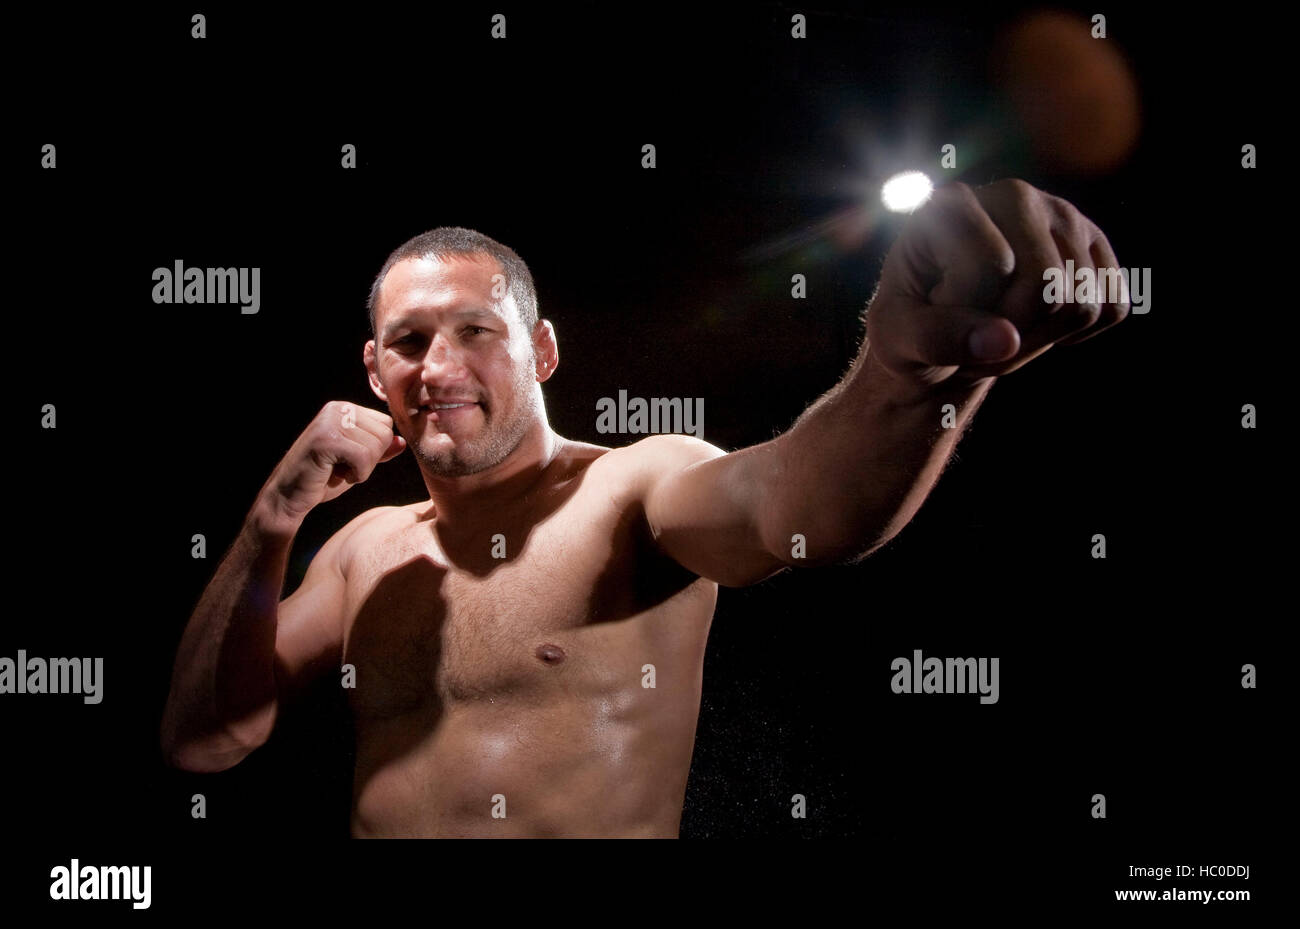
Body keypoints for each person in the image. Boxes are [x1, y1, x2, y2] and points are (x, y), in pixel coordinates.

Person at [160, 180, 1128, 837]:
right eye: (409, 341)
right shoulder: (360, 551)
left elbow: (797, 507)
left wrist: (903, 370)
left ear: (542, 351)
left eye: (476, 331)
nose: (439, 366)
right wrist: (270, 519)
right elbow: (203, 739)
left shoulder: (636, 483)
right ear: (375, 371)